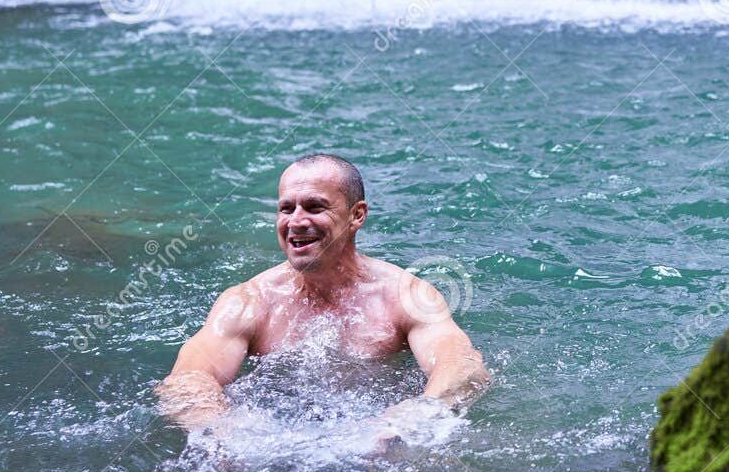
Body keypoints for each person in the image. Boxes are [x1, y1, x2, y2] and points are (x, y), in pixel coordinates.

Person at [156, 153, 489, 435]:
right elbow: (187, 380)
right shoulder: (249, 302)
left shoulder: (404, 295)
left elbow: (463, 366)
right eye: (287, 209)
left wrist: (415, 417)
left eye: (314, 207)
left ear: (356, 215)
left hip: (376, 440)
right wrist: (224, 434)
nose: (296, 222)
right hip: (272, 436)